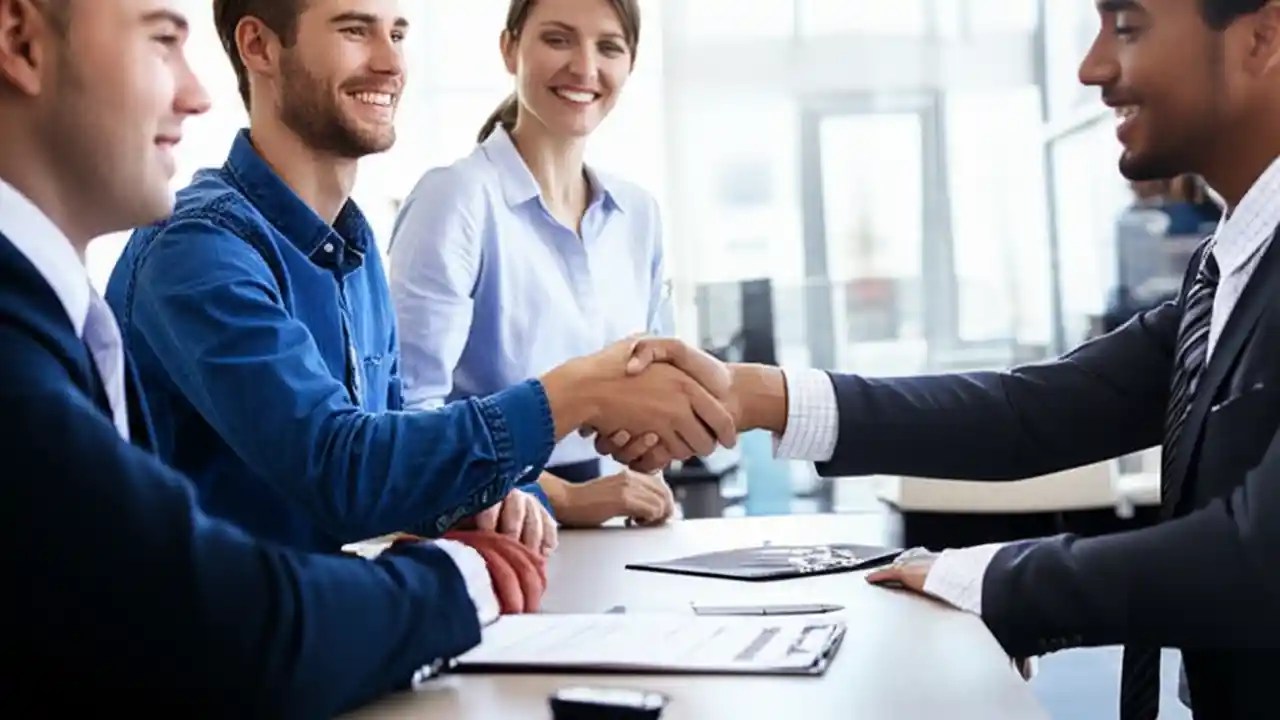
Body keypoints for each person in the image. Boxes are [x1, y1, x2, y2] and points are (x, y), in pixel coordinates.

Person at [611, 1, 1280, 717]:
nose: (1093, 67)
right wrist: (755, 397)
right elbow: (1035, 411)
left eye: (1126, 27)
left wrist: (987, 582)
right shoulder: (1229, 266)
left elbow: (1257, 558)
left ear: (1263, 38)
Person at [0, 0, 546, 715]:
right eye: (161, 39)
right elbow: (225, 615)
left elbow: (378, 466)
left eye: (399, 32)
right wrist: (459, 575)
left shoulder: (62, 313)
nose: (196, 95)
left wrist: (456, 508)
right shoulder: (181, 255)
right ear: (19, 41)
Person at [104, 0, 733, 557]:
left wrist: (495, 497)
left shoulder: (349, 246)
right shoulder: (197, 248)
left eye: (398, 34)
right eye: (355, 30)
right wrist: (576, 393)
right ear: (258, 46)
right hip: (216, 662)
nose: (390, 64)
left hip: (316, 626)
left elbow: (396, 449)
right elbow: (343, 473)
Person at [387, 0, 675, 529]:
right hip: (504, 527)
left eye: (608, 47)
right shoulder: (456, 199)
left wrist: (652, 453)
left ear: (629, 64)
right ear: (509, 48)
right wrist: (564, 498)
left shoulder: (639, 213)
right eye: (558, 39)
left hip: (626, 527)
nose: (585, 68)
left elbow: (658, 383)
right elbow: (410, 416)